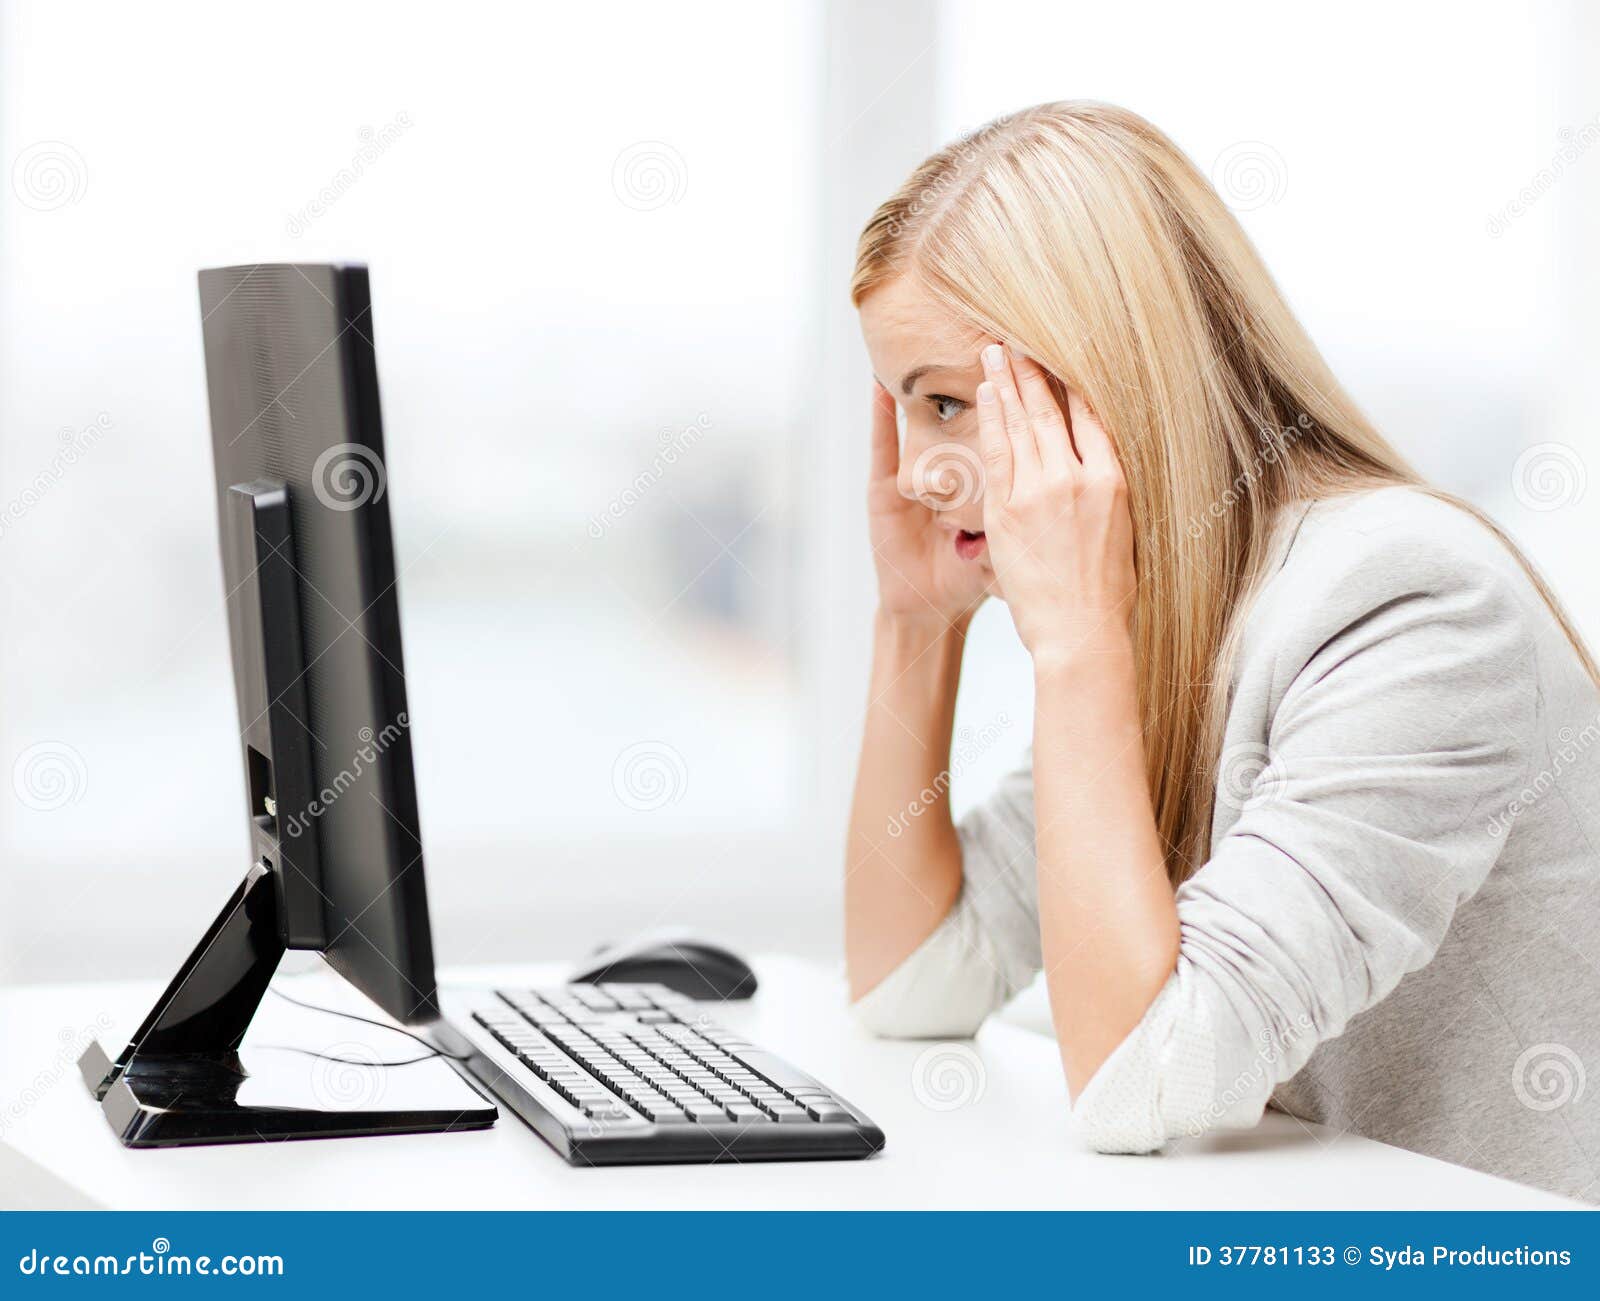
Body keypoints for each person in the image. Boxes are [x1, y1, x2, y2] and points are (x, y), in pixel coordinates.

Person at [844, 101, 1599, 1203]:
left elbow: (1146, 1079)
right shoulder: (1174, 608)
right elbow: (911, 984)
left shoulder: (1409, 602)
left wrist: (1075, 644)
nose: (917, 471)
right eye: (906, 409)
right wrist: (914, 623)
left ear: (1107, 374)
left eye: (951, 403)